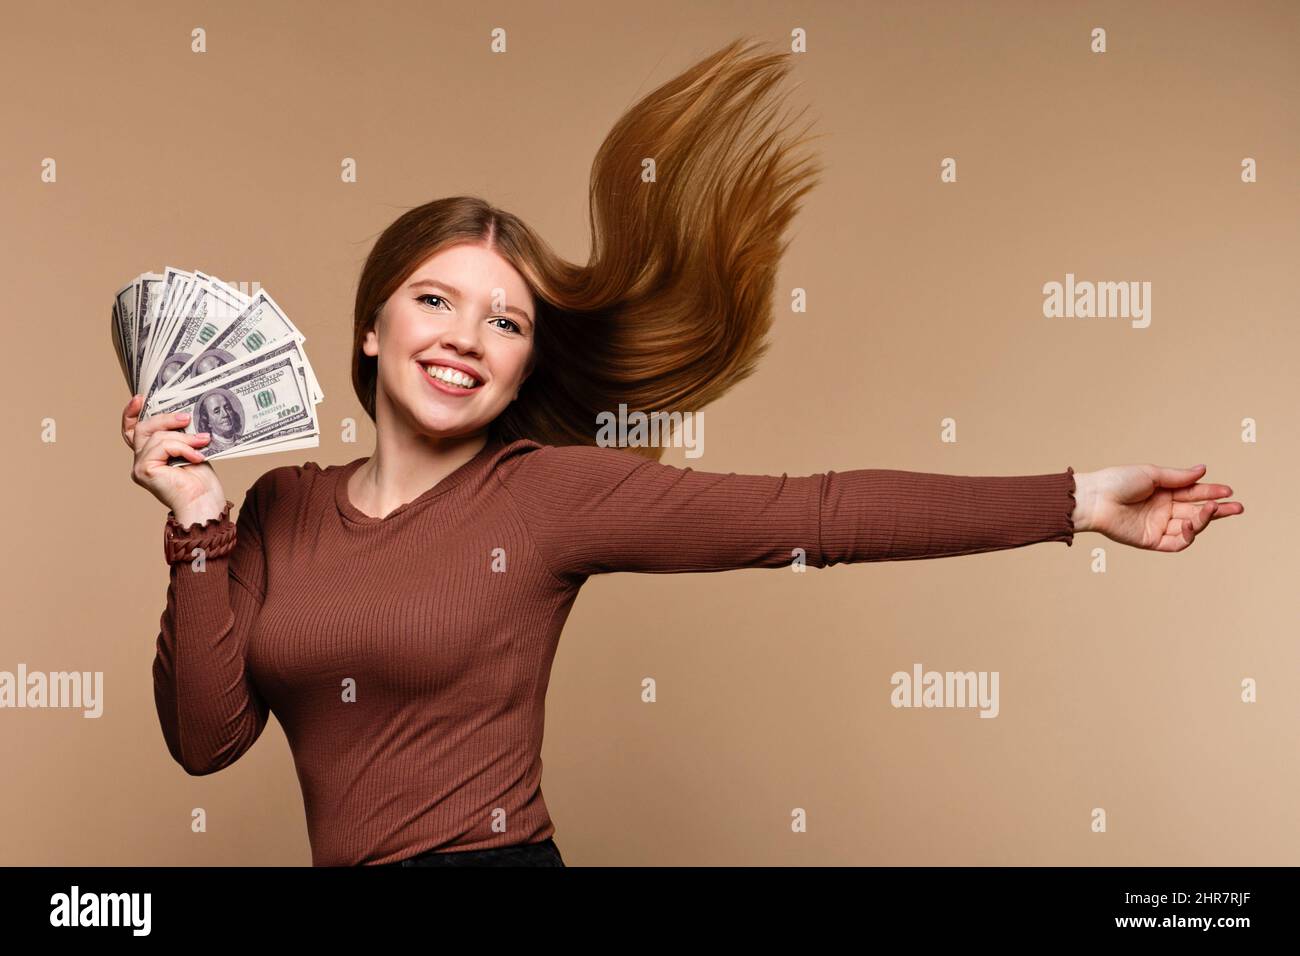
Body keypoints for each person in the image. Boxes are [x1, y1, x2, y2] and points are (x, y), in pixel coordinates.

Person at [120, 38, 1243, 867]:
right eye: (434, 300)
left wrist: (1080, 499)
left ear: (522, 364)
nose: (465, 337)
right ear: (372, 326)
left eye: (504, 322)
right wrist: (192, 517)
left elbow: (812, 515)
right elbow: (206, 740)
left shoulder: (543, 499)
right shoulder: (272, 509)